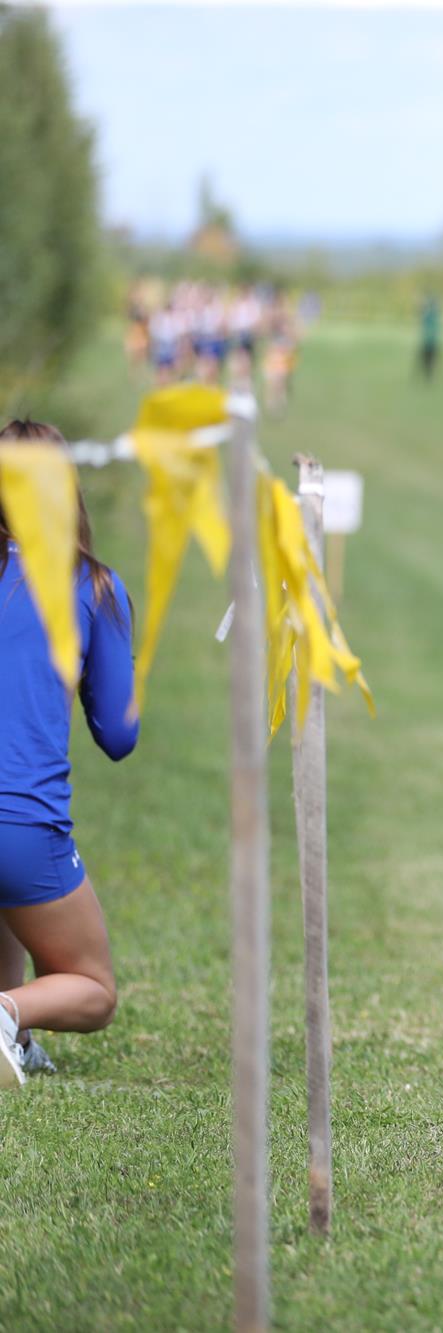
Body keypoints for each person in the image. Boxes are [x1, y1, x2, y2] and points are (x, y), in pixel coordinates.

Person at [0, 421, 140, 1087]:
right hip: (21, 826)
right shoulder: (94, 586)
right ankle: (6, 1010)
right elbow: (119, 736)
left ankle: (15, 1038)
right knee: (94, 987)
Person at [418, 294, 442, 384]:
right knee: (429, 361)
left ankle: (429, 377)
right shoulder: (432, 314)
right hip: (430, 341)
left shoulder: (430, 314)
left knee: (429, 361)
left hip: (430, 341)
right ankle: (429, 377)